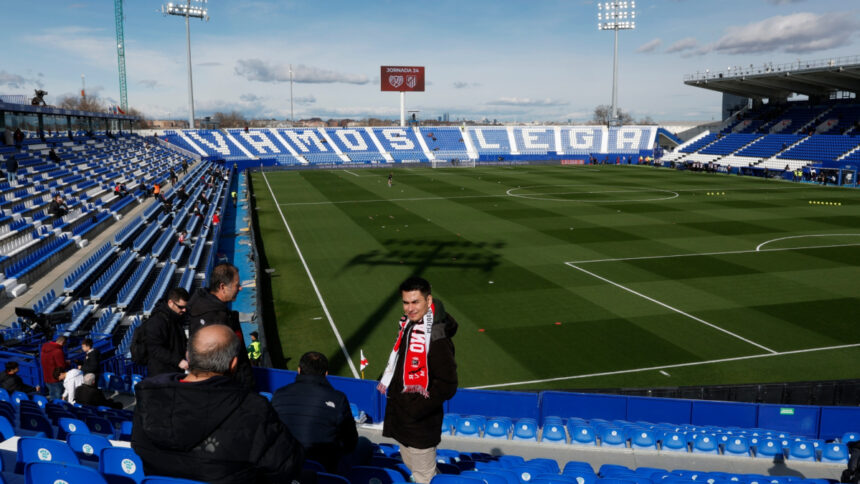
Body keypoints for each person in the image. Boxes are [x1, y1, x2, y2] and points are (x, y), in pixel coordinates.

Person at [132, 325, 304, 483]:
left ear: (188, 357)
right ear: (233, 364)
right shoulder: (253, 408)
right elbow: (285, 465)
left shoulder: (150, 398)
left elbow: (140, 450)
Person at [377, 276, 458, 483]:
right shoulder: (408, 325)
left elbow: (448, 385)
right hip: (403, 420)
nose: (410, 308)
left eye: (415, 302)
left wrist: (416, 409)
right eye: (406, 302)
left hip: (421, 424)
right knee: (415, 468)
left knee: (424, 478)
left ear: (428, 301)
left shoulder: (437, 338)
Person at [272, 351, 370, 474]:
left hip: (285, 465)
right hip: (324, 467)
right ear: (326, 374)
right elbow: (350, 442)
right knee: (365, 444)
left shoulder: (278, 394)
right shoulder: (338, 399)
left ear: (298, 370)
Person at [187, 263, 254, 389]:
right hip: (230, 388)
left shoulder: (212, 309)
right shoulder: (214, 319)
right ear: (222, 287)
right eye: (236, 285)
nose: (240, 288)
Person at [143, 288, 190, 377]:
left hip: (174, 370)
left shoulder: (176, 317)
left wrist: (186, 351)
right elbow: (154, 349)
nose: (184, 310)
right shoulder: (157, 321)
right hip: (161, 374)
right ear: (170, 303)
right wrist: (178, 361)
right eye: (181, 307)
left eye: (185, 307)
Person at [40, 335, 68, 400]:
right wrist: (67, 363)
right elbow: (61, 366)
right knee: (58, 396)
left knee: (52, 395)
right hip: (56, 378)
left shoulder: (44, 347)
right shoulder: (58, 351)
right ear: (62, 342)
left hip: (47, 377)